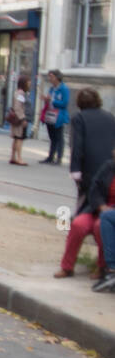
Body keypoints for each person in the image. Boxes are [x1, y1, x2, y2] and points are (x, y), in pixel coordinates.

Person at [57, 88, 115, 279]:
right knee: (82, 221)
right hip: (105, 173)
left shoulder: (79, 118)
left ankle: (76, 266)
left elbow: (77, 146)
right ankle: (92, 266)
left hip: (90, 174)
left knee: (87, 214)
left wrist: (75, 172)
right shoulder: (110, 118)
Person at [90, 151, 115, 292]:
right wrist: (101, 206)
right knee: (103, 220)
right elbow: (95, 189)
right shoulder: (108, 167)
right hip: (105, 208)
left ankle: (111, 270)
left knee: (106, 218)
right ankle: (107, 269)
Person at [40, 69, 70, 164]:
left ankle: (59, 157)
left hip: (59, 115)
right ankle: (50, 156)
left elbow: (64, 103)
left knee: (59, 136)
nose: (50, 79)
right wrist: (46, 99)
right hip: (50, 114)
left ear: (57, 77)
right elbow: (49, 100)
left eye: (51, 76)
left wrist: (52, 100)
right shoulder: (52, 88)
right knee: (52, 136)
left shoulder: (64, 89)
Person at [8, 76, 29, 165]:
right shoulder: (21, 93)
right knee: (19, 138)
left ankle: (13, 157)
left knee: (16, 138)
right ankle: (19, 158)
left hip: (15, 118)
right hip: (18, 119)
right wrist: (22, 118)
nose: (29, 84)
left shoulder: (17, 92)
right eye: (28, 82)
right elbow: (18, 107)